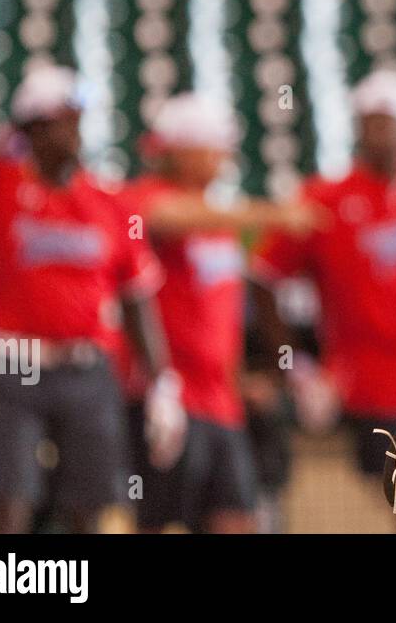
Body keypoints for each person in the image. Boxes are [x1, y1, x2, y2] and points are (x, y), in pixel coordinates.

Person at [0, 0, 178, 533]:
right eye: (58, 119)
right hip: (13, 364)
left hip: (90, 365)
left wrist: (164, 383)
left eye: (75, 117)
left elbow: (137, 298)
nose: (72, 130)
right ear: (30, 129)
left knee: (92, 506)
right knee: (8, 503)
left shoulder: (108, 200)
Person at [250, 69, 396, 508]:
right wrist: (296, 368)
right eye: (368, 119)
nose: (376, 130)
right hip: (370, 383)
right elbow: (263, 274)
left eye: (386, 119)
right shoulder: (326, 199)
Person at [121, 92, 318, 533]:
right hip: (166, 399)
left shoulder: (218, 219)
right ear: (178, 150)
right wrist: (273, 214)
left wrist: (247, 378)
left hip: (221, 404)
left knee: (237, 521)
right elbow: (162, 216)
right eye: (212, 146)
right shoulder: (146, 200)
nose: (223, 157)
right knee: (158, 521)